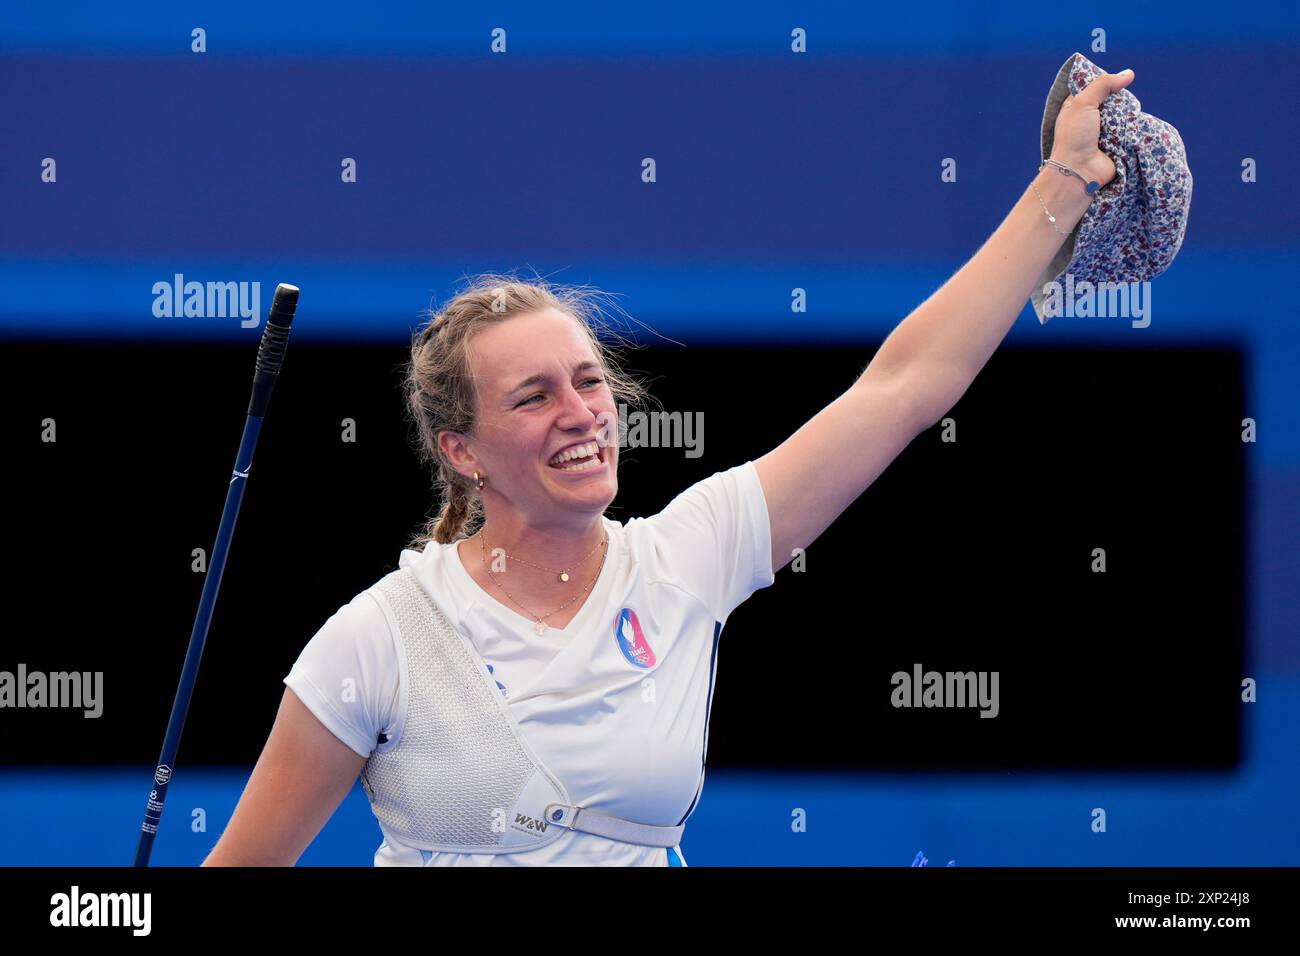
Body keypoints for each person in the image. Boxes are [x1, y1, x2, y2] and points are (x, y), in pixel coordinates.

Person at [202, 67, 1135, 867]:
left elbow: (904, 386)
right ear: (461, 450)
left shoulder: (688, 555)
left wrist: (1062, 178)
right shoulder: (378, 640)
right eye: (533, 398)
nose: (581, 415)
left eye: (588, 382)